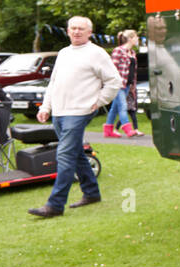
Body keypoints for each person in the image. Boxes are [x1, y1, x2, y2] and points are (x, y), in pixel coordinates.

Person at [28, 17, 122, 218]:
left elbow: (114, 81)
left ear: (90, 32)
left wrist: (99, 101)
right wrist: (46, 107)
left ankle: (55, 205)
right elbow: (53, 83)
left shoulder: (96, 53)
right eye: (73, 28)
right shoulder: (63, 53)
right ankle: (92, 193)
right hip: (60, 112)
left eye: (81, 29)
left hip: (79, 112)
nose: (77, 31)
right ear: (68, 31)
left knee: (64, 154)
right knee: (76, 152)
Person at [107, 30, 143, 138]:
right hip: (118, 84)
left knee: (114, 108)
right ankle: (128, 129)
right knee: (123, 106)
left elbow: (133, 71)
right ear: (130, 38)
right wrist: (113, 83)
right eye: (136, 37)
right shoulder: (118, 51)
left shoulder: (132, 53)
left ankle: (108, 130)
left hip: (128, 84)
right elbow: (111, 69)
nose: (137, 39)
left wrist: (133, 85)